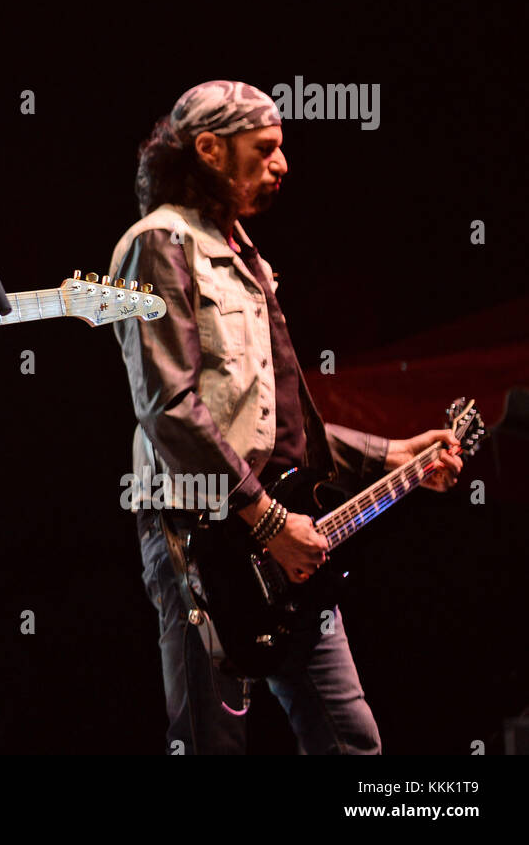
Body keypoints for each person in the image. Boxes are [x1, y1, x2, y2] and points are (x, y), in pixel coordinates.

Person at [108, 80, 463, 754]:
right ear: (210, 150)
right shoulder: (158, 246)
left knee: (351, 740)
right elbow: (169, 409)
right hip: (204, 537)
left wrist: (392, 453)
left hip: (285, 534)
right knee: (214, 743)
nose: (282, 164)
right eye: (265, 149)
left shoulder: (246, 254)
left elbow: (282, 418)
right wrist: (269, 522)